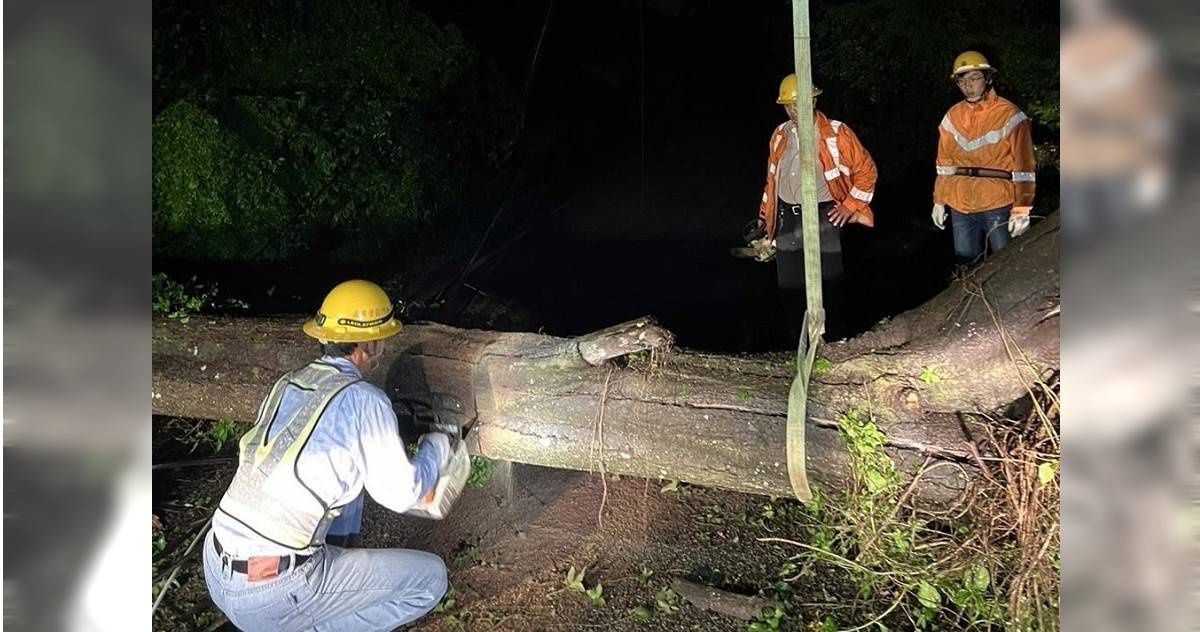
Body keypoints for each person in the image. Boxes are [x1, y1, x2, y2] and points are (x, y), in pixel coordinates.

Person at [202, 279, 450, 631]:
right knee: (430, 579)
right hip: (272, 592)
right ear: (370, 344)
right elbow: (403, 495)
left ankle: (325, 585)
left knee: (348, 480)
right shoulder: (365, 399)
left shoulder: (287, 383)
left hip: (215, 567)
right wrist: (436, 448)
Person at [749, 73, 877, 339]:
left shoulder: (836, 133)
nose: (794, 109)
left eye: (800, 102)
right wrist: (764, 219)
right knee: (790, 286)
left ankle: (836, 339)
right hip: (787, 216)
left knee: (829, 282)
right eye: (789, 104)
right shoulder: (779, 135)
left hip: (823, 214)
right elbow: (772, 181)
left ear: (814, 100)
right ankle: (798, 340)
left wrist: (849, 205)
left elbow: (867, 171)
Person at [931, 51, 1037, 263]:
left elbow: (1024, 166)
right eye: (962, 80)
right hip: (959, 204)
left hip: (997, 202)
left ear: (988, 78)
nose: (968, 85)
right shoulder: (952, 116)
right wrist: (939, 201)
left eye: (974, 78)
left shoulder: (1010, 115)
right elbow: (944, 165)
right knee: (965, 268)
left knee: (1006, 265)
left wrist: (1022, 208)